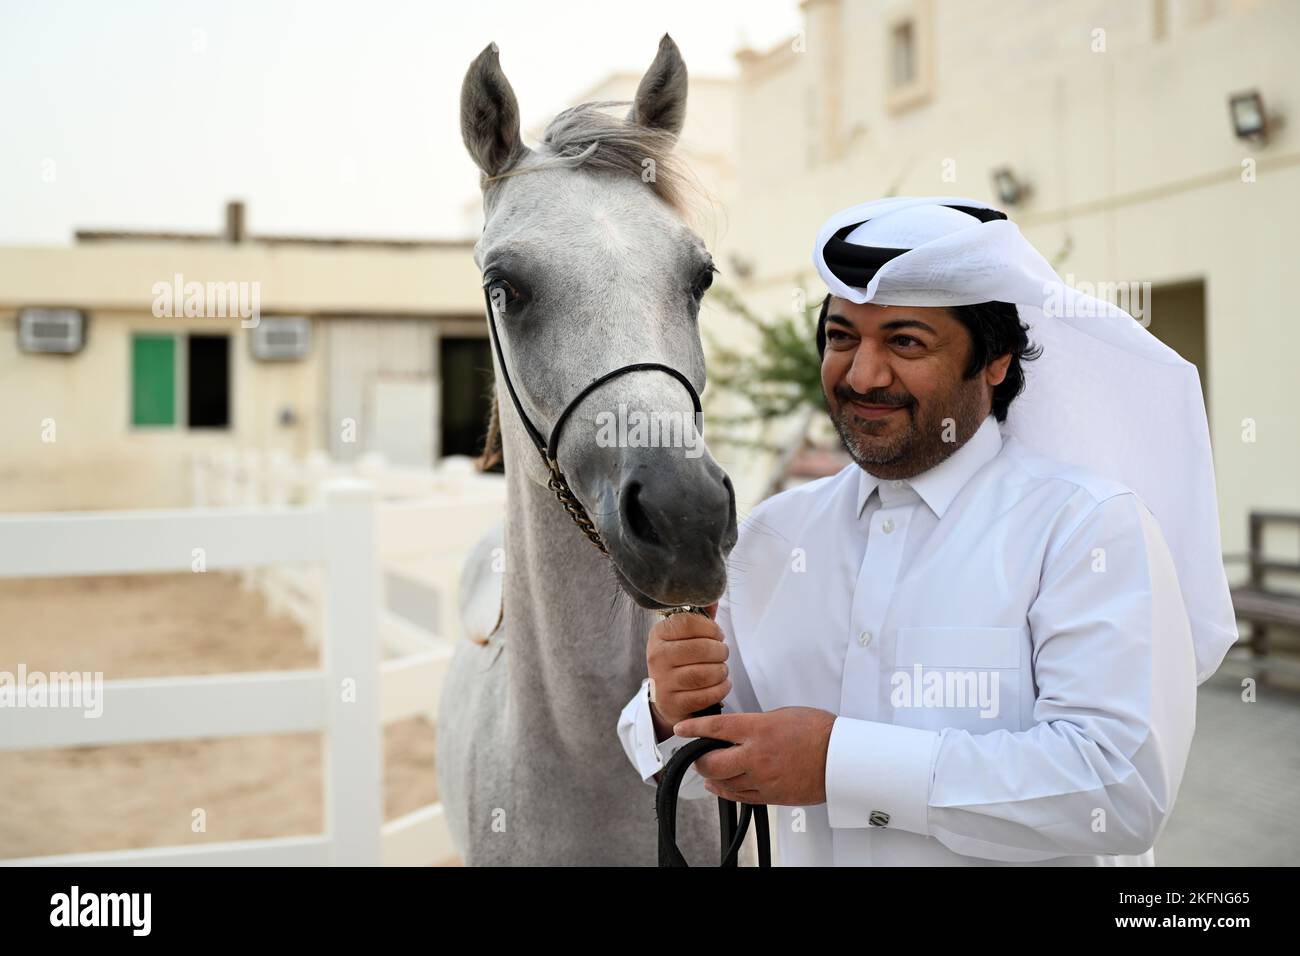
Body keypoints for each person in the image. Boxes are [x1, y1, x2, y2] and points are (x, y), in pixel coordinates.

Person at [616, 197, 1238, 865]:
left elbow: (1120, 791)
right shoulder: (775, 536)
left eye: (905, 342)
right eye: (842, 337)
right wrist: (666, 708)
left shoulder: (1085, 528)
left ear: (995, 360)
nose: (862, 375)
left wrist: (839, 764)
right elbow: (703, 758)